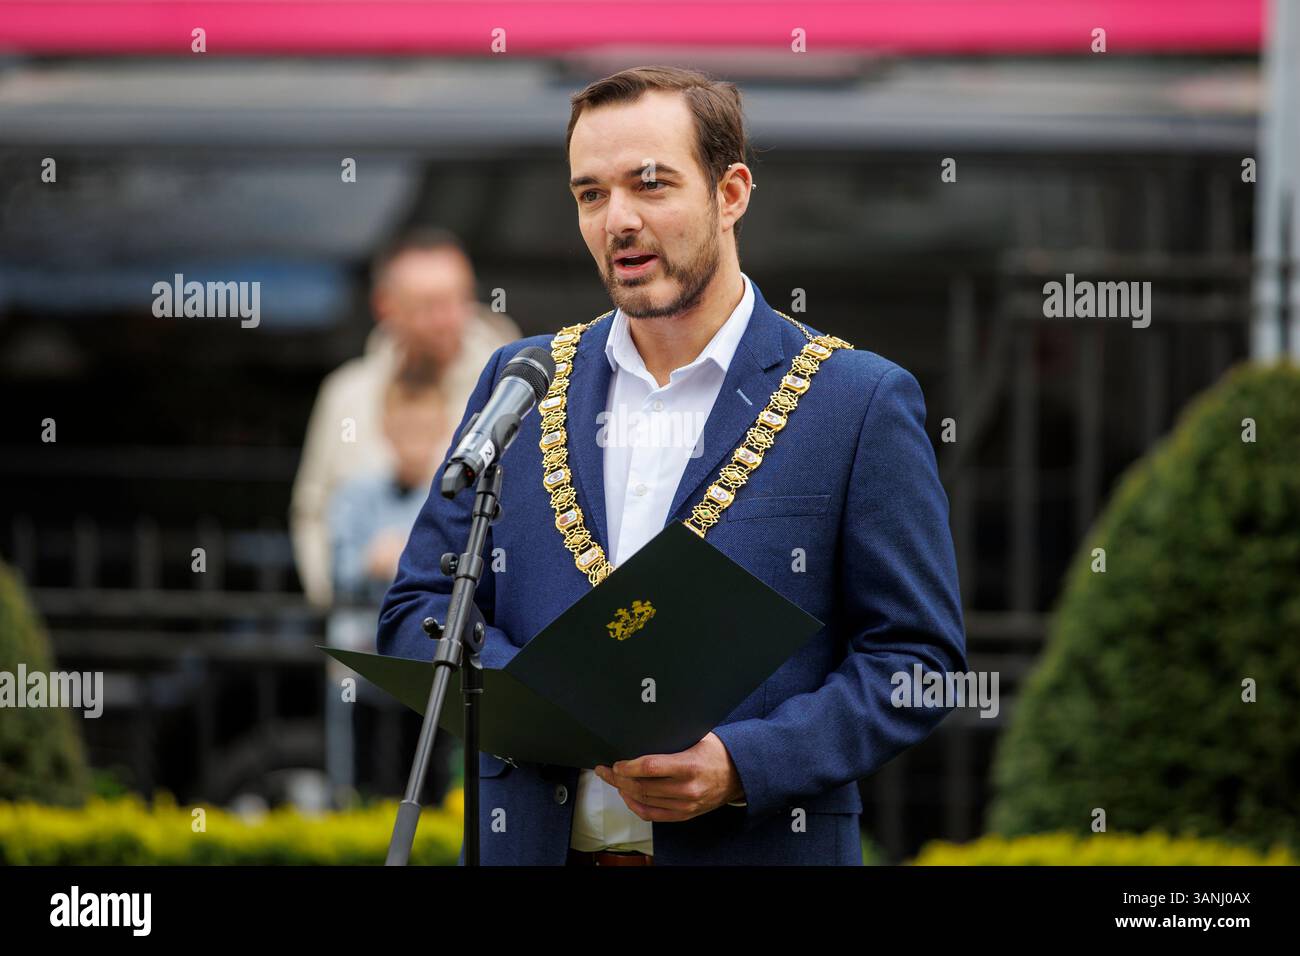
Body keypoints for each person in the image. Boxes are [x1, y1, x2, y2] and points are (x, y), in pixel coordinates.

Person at [378, 66, 966, 865]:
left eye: (650, 184)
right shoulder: (524, 379)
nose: (618, 219)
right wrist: (549, 705)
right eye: (591, 194)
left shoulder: (855, 400)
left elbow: (916, 662)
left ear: (731, 194)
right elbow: (418, 607)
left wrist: (742, 765)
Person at [291, 228, 520, 608]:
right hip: (366, 636)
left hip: (477, 635)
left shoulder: (512, 390)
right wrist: (340, 602)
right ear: (385, 306)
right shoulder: (346, 395)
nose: (448, 318)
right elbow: (312, 511)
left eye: (459, 299)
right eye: (429, 305)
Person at [324, 378, 455, 806]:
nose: (415, 442)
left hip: (427, 660)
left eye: (425, 430)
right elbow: (339, 575)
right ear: (386, 429)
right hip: (365, 661)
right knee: (362, 781)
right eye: (406, 430)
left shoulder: (452, 496)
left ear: (442, 429)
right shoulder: (356, 494)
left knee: (430, 780)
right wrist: (370, 559)